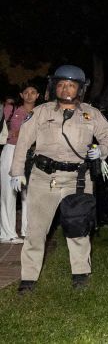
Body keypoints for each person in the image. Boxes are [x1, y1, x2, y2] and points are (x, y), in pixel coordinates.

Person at [9, 65, 108, 292]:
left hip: (78, 179)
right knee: (36, 230)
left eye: (71, 85)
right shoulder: (41, 112)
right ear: (53, 87)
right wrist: (17, 172)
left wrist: (102, 150)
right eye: (61, 84)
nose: (66, 89)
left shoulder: (90, 113)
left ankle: (80, 275)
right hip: (43, 178)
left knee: (78, 228)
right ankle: (28, 278)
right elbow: (24, 142)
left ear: (80, 89)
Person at [2, 83, 39, 243]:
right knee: (8, 193)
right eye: (26, 92)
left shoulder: (41, 112)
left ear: (38, 95)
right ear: (22, 95)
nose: (30, 95)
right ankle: (7, 233)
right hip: (11, 151)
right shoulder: (11, 109)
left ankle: (27, 230)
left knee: (28, 194)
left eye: (33, 92)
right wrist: (12, 133)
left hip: (31, 154)